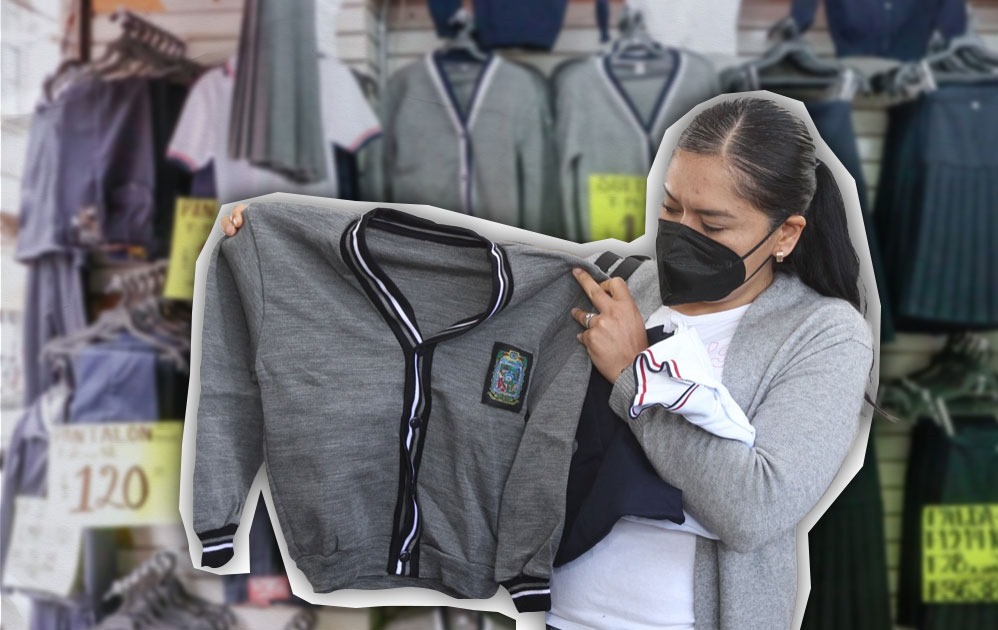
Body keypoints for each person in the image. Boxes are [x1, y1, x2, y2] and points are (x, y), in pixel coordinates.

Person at [219, 96, 875, 629]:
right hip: (563, 618)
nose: (681, 234)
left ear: (785, 234)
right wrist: (287, 238)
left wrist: (634, 374)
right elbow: (467, 262)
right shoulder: (622, 283)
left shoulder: (824, 336)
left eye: (714, 224)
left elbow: (754, 511)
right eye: (671, 207)